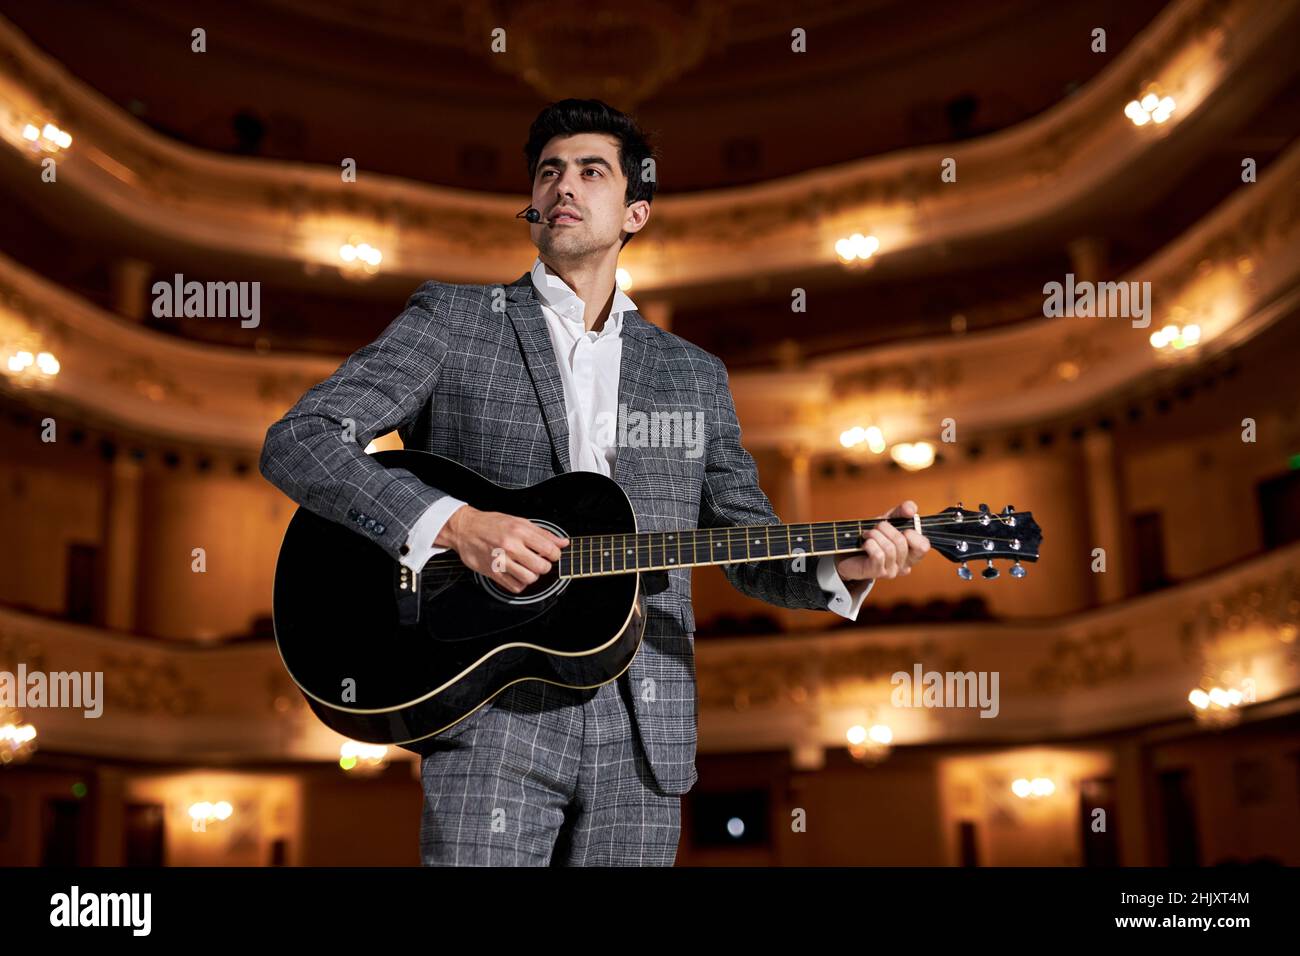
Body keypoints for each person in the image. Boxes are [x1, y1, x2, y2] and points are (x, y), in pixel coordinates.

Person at [259, 98, 930, 866]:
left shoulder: (693, 375)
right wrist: (455, 525)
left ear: (636, 210)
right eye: (548, 172)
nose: (562, 186)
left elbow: (745, 542)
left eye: (589, 170)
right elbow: (301, 440)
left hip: (647, 732)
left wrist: (840, 565)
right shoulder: (454, 321)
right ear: (531, 205)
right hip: (492, 712)